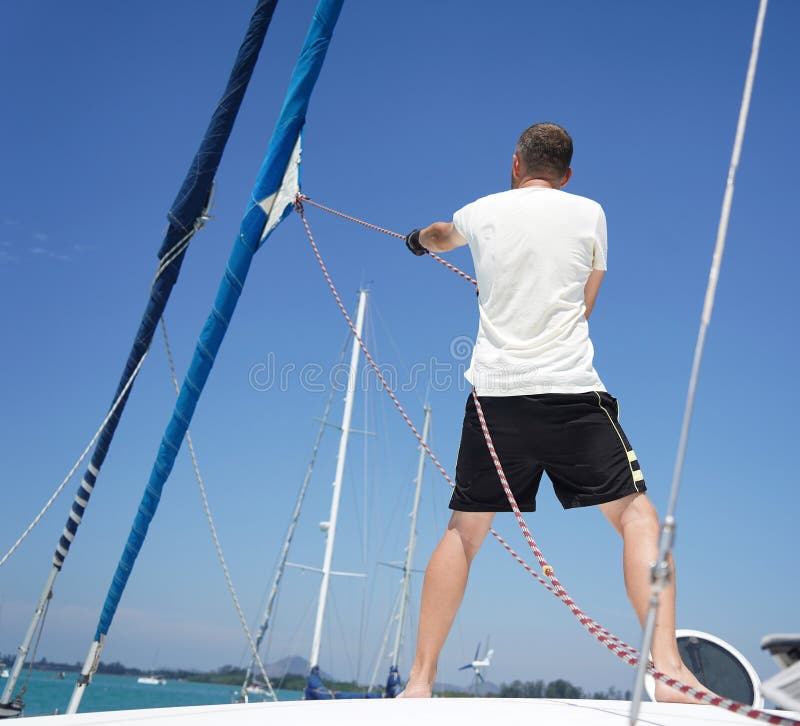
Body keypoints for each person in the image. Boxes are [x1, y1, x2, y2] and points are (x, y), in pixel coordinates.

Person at [399, 122, 706, 703]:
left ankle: (418, 682)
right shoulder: (590, 213)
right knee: (637, 518)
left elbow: (440, 234)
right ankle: (665, 672)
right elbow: (584, 307)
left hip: (495, 401)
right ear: (566, 175)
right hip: (570, 395)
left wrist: (417, 240)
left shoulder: (480, 211)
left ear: (516, 163)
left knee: (465, 532)